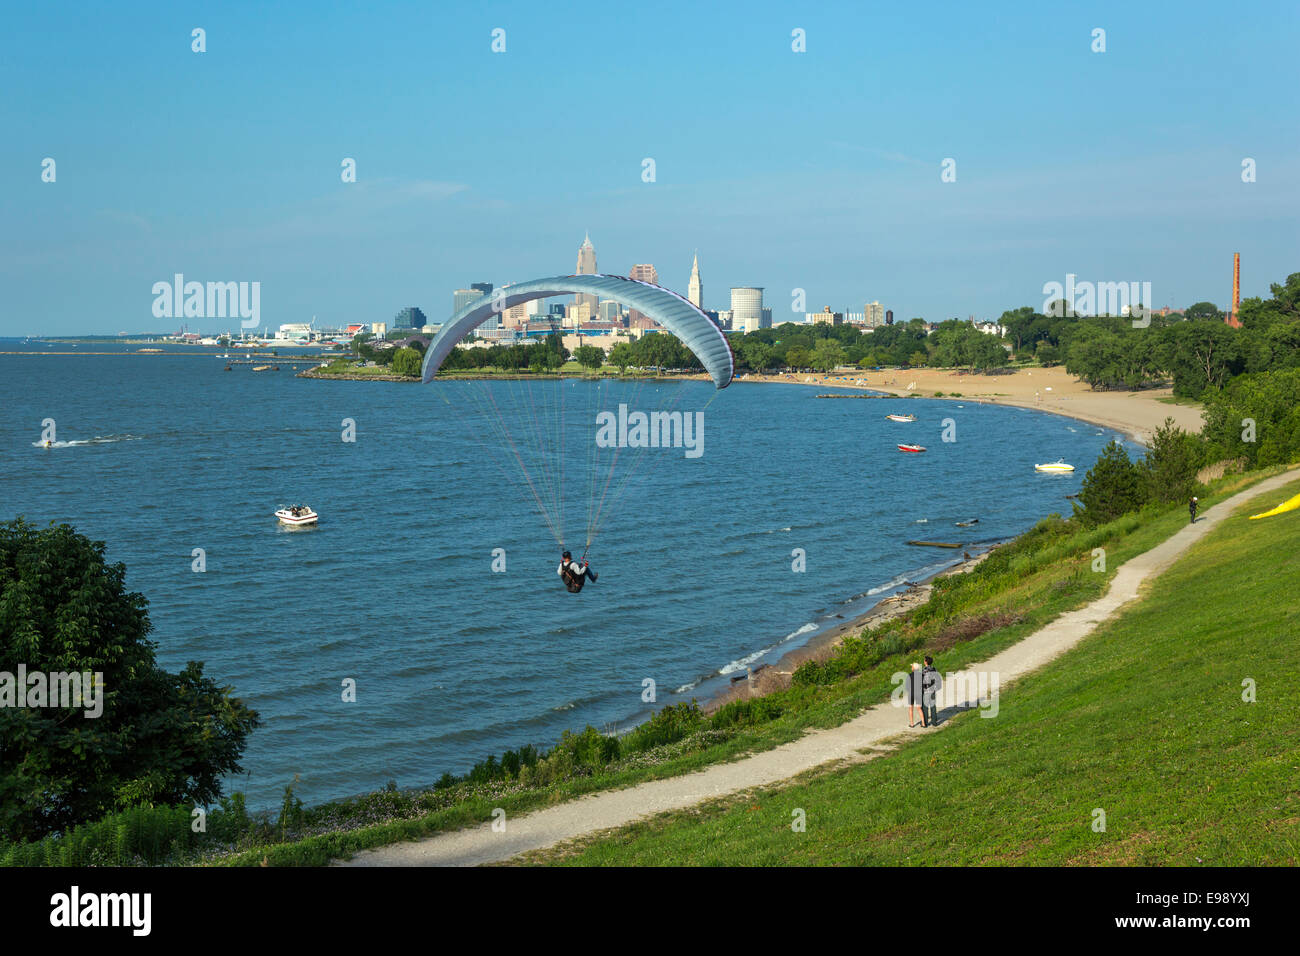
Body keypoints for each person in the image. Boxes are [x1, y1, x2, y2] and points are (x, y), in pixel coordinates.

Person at [921, 655, 943, 727]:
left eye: (924, 660)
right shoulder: (934, 669)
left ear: (926, 662)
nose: (924, 661)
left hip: (926, 690)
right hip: (933, 690)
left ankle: (926, 723)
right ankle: (934, 722)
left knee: (925, 707)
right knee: (933, 706)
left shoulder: (924, 670)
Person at [907, 662, 924, 728]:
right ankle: (923, 723)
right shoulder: (921, 675)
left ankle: (912, 724)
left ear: (913, 668)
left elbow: (907, 686)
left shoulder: (910, 675)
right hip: (918, 693)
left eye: (912, 667)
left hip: (911, 693)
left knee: (911, 709)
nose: (911, 668)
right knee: (919, 708)